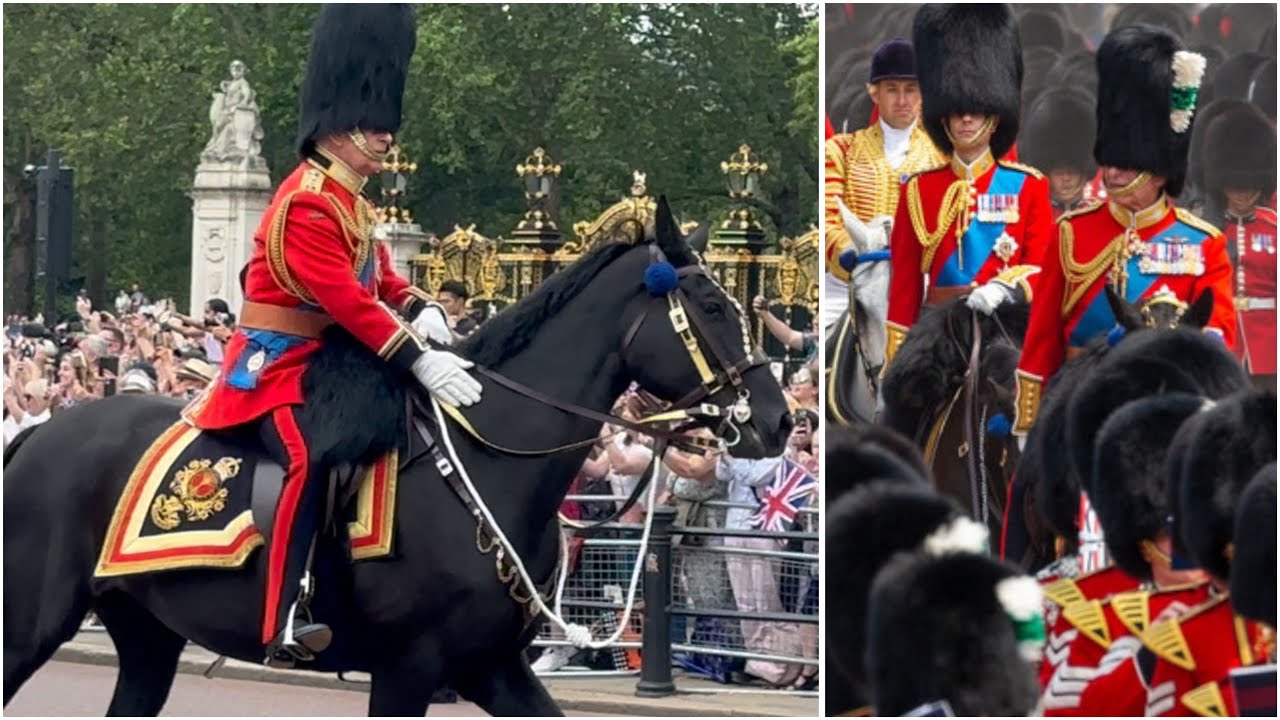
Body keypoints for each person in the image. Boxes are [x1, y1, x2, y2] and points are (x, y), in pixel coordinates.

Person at [181, 4, 482, 666]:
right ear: (339, 130)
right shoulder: (306, 200)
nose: (386, 138)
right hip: (275, 365)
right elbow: (343, 298)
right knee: (308, 458)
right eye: (374, 127)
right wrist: (417, 358)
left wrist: (422, 304)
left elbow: (376, 279)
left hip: (332, 362)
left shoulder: (349, 200)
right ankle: (283, 614)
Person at [1013, 25, 1238, 437]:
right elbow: (1041, 341)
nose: (1111, 171)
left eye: (1126, 161)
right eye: (1109, 158)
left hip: (1170, 410)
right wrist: (1028, 423)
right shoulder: (1071, 233)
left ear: (1158, 168)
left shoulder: (1203, 244)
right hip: (1079, 409)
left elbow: (1217, 342)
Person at [883, 5, 1054, 368]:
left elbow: (1042, 270)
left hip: (1006, 328)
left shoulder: (1028, 186)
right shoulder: (918, 190)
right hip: (938, 330)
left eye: (975, 110)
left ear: (994, 118)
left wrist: (1005, 288)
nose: (964, 117)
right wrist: (895, 361)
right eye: (956, 109)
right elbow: (904, 289)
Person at [823, 38, 945, 330]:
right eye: (892, 90)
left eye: (910, 90)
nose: (902, 101)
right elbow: (829, 221)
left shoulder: (943, 156)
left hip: (922, 285)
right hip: (852, 281)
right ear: (874, 93)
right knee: (822, 357)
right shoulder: (841, 151)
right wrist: (851, 254)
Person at [1199, 101, 1276, 390]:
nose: (1242, 194)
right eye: (1234, 185)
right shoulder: (1210, 231)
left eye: (1249, 185)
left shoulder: (1274, 228)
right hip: (1226, 342)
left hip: (1269, 346)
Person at [1019, 87, 1102, 219]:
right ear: (1046, 172)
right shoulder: (1029, 211)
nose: (1066, 178)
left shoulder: (1102, 207)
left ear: (1085, 171)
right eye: (1059, 172)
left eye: (1073, 171)